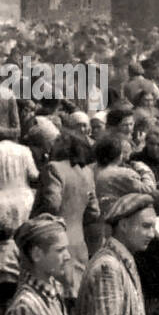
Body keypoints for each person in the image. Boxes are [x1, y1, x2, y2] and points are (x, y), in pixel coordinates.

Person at [33, 131, 101, 306]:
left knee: (51, 298)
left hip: (54, 242)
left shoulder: (53, 168)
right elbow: (94, 212)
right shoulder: (87, 172)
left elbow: (52, 204)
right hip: (79, 243)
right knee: (75, 297)